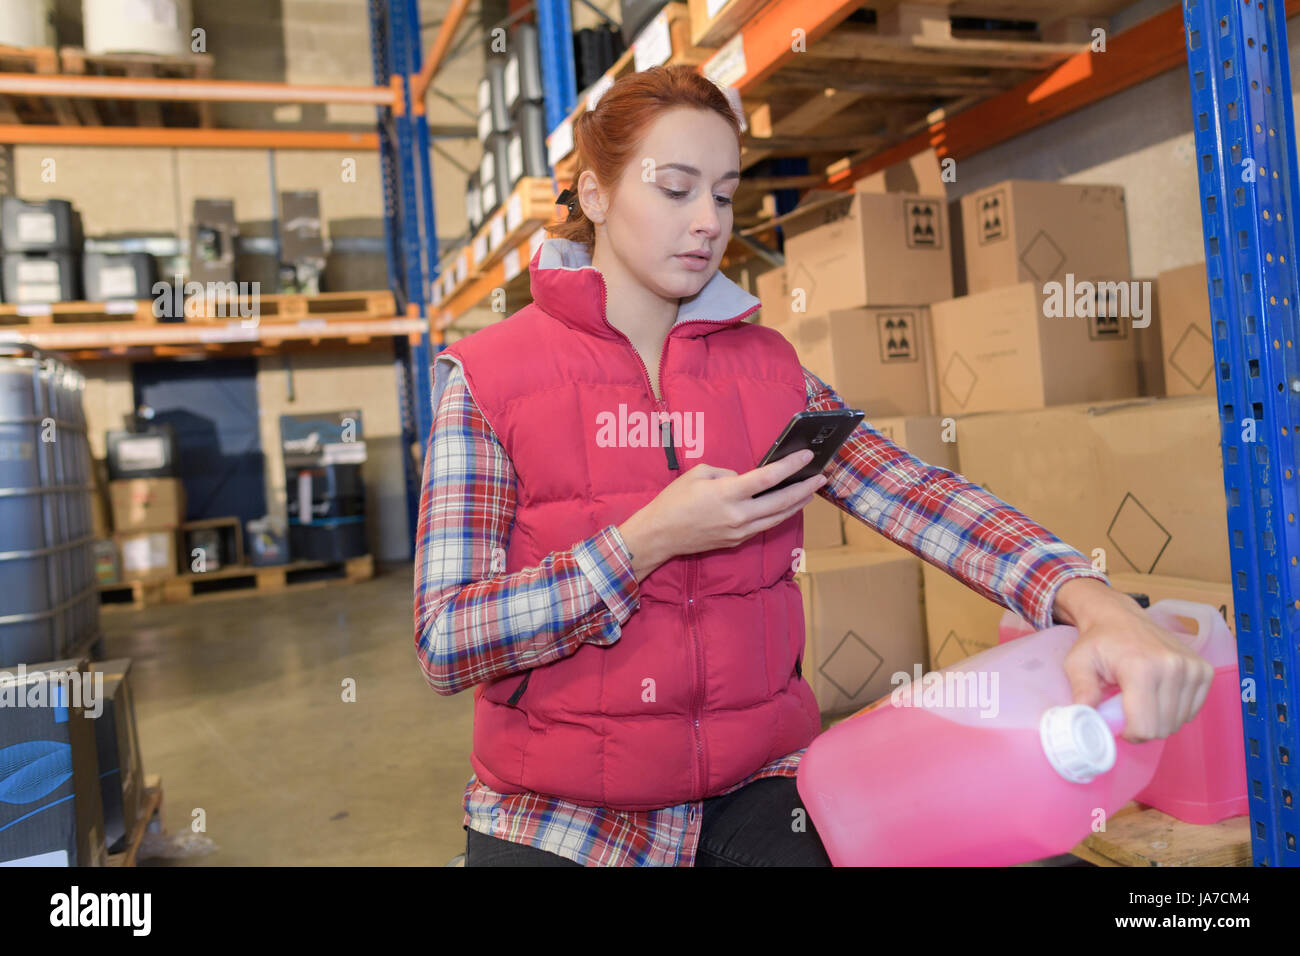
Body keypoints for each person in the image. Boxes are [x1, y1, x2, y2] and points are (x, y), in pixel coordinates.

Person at [414, 64, 1214, 867]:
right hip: (562, 813)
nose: (706, 223)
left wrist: (1088, 598)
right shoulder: (488, 379)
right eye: (676, 189)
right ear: (594, 195)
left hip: (756, 784)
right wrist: (641, 544)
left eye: (723, 196)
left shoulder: (770, 369)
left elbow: (915, 494)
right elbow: (446, 638)